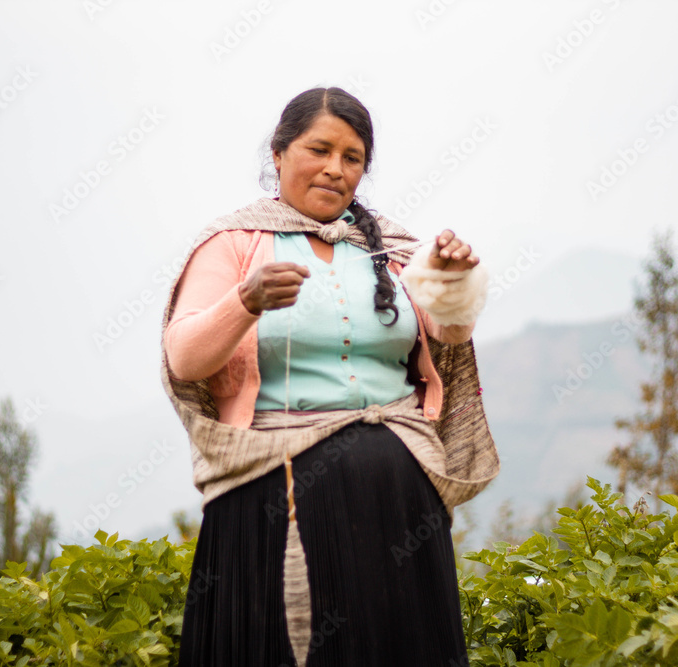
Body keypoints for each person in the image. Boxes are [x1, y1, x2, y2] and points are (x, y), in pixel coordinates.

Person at [160, 86, 499, 666]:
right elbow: (185, 359)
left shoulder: (391, 250)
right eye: (319, 150)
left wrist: (449, 280)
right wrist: (245, 301)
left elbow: (449, 340)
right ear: (279, 154)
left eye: (353, 158)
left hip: (397, 496)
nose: (335, 169)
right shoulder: (234, 244)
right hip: (272, 491)